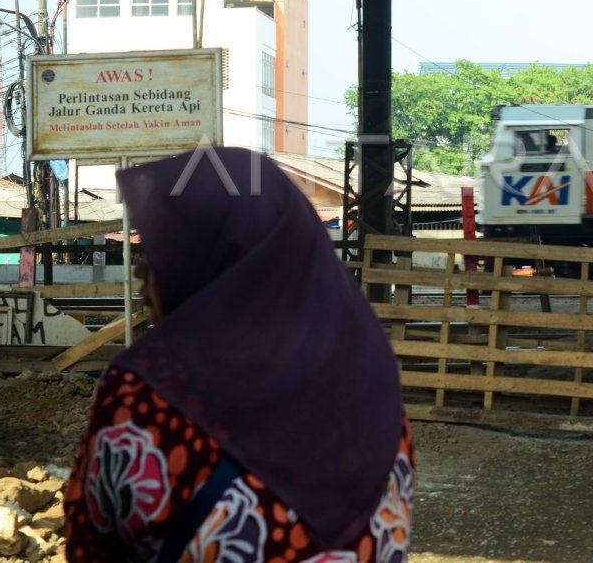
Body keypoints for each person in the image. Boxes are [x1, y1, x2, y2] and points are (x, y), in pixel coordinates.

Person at [64, 146, 413, 562]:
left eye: (161, 249)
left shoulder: (146, 396)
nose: (141, 268)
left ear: (212, 257)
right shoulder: (370, 376)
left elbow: (92, 548)